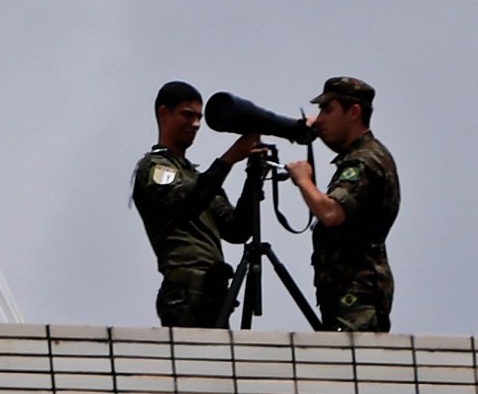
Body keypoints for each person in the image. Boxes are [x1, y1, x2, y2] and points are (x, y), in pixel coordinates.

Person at [133, 81, 263, 327]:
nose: (195, 124)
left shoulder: (197, 178)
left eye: (199, 117)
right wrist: (230, 158)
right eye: (187, 115)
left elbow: (236, 229)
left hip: (213, 295)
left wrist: (253, 176)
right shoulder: (155, 167)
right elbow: (185, 202)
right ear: (164, 113)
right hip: (183, 295)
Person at [286, 77, 399, 332]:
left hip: (356, 293)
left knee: (355, 365)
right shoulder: (370, 153)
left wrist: (304, 181)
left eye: (328, 110)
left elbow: (331, 213)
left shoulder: (362, 161)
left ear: (354, 112)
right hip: (352, 290)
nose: (321, 119)